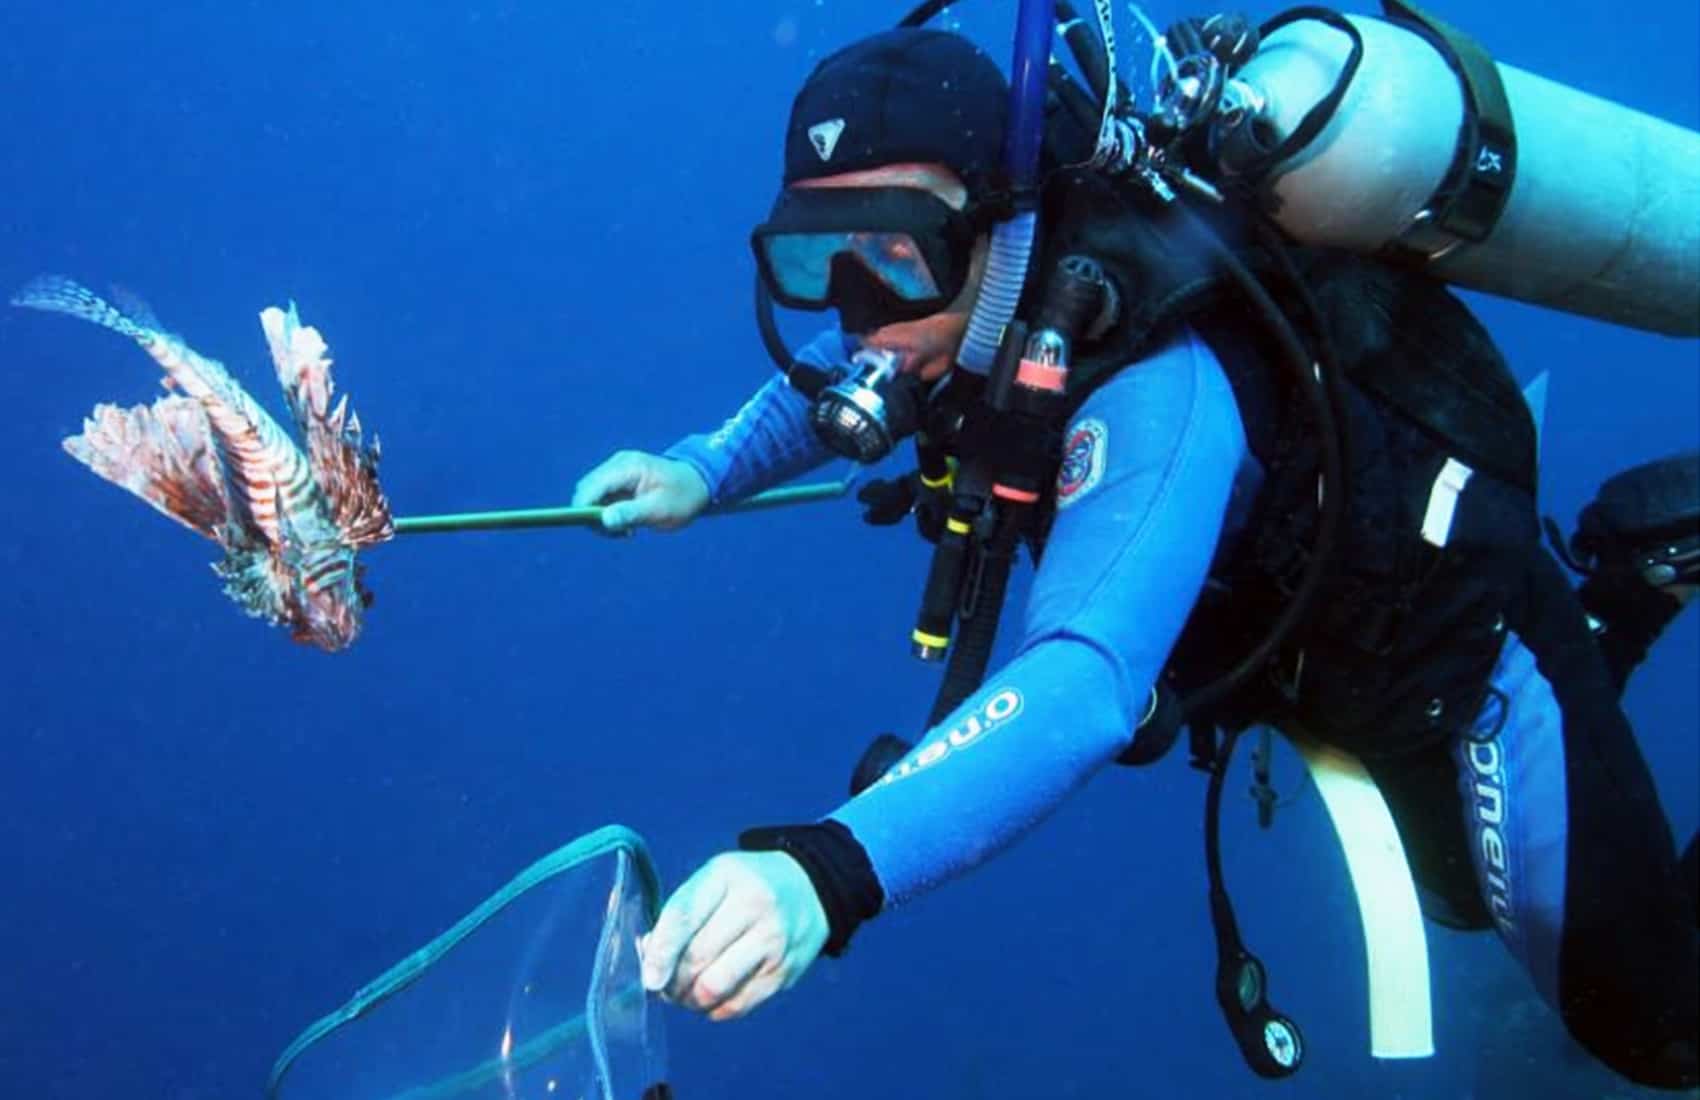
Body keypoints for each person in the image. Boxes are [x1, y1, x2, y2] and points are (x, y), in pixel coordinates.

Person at [571, 25, 1700, 1090]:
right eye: (819, 255)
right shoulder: (946, 319)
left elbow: (1086, 678)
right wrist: (701, 469)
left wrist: (825, 872)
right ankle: (1628, 582)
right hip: (1327, 668)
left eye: (897, 251)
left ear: (1003, 222)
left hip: (1460, 651)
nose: (860, 310)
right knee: (1458, 893)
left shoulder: (1153, 384)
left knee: (1652, 1025)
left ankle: (1623, 585)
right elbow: (840, 372)